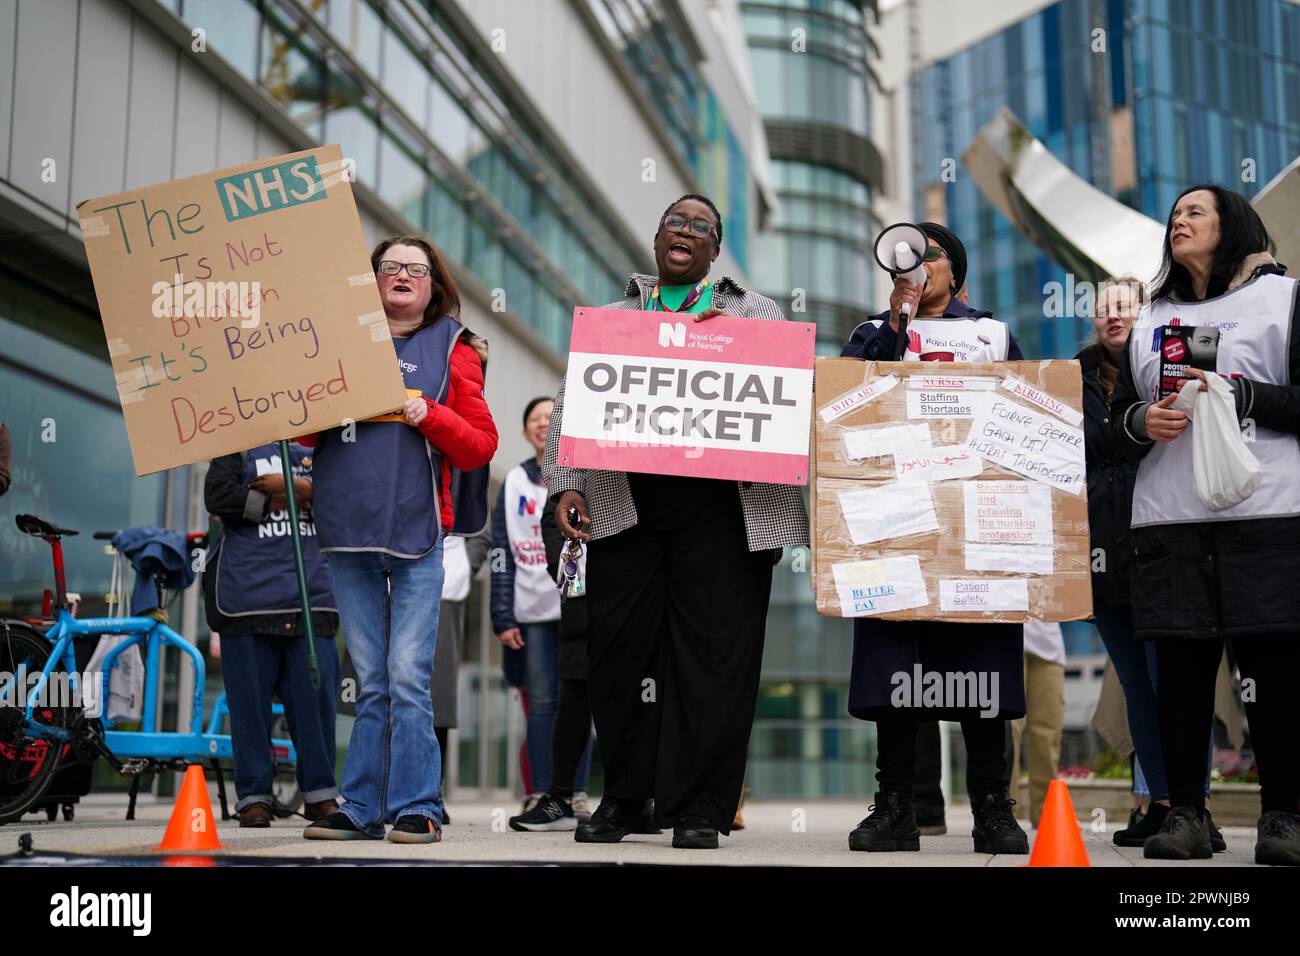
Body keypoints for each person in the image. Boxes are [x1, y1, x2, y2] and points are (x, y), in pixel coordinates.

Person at [544, 194, 809, 850]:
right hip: (626, 505)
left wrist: (727, 343)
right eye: (674, 223)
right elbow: (571, 399)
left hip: (726, 511)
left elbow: (788, 400)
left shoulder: (755, 312)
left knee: (714, 661)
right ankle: (626, 798)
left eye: (702, 228)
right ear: (657, 240)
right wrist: (565, 485)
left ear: (716, 251)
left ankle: (699, 806)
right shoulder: (612, 318)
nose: (685, 231)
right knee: (617, 656)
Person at [1109, 184, 1300, 865]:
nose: (1178, 221)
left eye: (1195, 211)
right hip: (1171, 516)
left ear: (1234, 225)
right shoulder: (1149, 315)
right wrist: (1140, 421)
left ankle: (1284, 819)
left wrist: (1247, 394)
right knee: (1181, 678)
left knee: (1274, 675)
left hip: (1268, 511)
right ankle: (1186, 814)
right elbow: (1117, 418)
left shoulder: (1285, 299)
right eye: (1174, 215)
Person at [840, 222, 1029, 855]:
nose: (915, 267)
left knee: (981, 662)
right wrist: (896, 328)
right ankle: (897, 804)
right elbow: (846, 410)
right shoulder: (870, 334)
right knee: (896, 660)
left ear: (957, 272)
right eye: (904, 258)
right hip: (894, 523)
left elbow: (1029, 416)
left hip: (974, 522)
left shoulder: (993, 334)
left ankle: (991, 808)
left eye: (931, 255)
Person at [301, 235, 497, 844]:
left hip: (418, 533)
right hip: (348, 534)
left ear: (433, 284)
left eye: (416, 269)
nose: (403, 276)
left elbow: (480, 445)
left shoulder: (456, 350)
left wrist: (426, 413)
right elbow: (303, 436)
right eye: (390, 267)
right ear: (374, 281)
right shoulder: (340, 345)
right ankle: (360, 807)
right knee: (372, 680)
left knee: (409, 677)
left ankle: (419, 808)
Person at [201, 442, 340, 827]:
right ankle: (253, 798)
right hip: (247, 597)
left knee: (316, 704)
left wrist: (303, 489)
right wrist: (272, 501)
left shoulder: (323, 444)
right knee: (249, 707)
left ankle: (320, 796)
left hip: (312, 595)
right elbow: (217, 496)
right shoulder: (236, 446)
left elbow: (348, 498)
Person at [492, 397, 591, 813]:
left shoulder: (587, 476)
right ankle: (541, 792)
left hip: (579, 606)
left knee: (577, 701)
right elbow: (502, 549)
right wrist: (502, 615)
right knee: (541, 703)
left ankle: (578, 792)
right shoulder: (514, 480)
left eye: (551, 417)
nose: (542, 424)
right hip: (532, 611)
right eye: (534, 418)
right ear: (525, 431)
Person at [508, 497, 605, 831]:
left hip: (634, 592)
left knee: (636, 696)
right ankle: (559, 798)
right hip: (580, 597)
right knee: (573, 693)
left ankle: (640, 800)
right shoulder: (570, 461)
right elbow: (554, 522)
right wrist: (573, 583)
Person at [432, 523, 490, 825]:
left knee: (438, 700)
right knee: (392, 695)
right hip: (395, 585)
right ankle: (390, 789)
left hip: (445, 590)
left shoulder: (462, 475)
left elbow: (480, 529)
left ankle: (431, 793)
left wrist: (465, 567)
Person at [1006, 620, 1065, 827]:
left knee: (1048, 732)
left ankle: (1046, 813)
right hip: (1005, 631)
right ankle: (1005, 810)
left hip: (1048, 639)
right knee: (1008, 730)